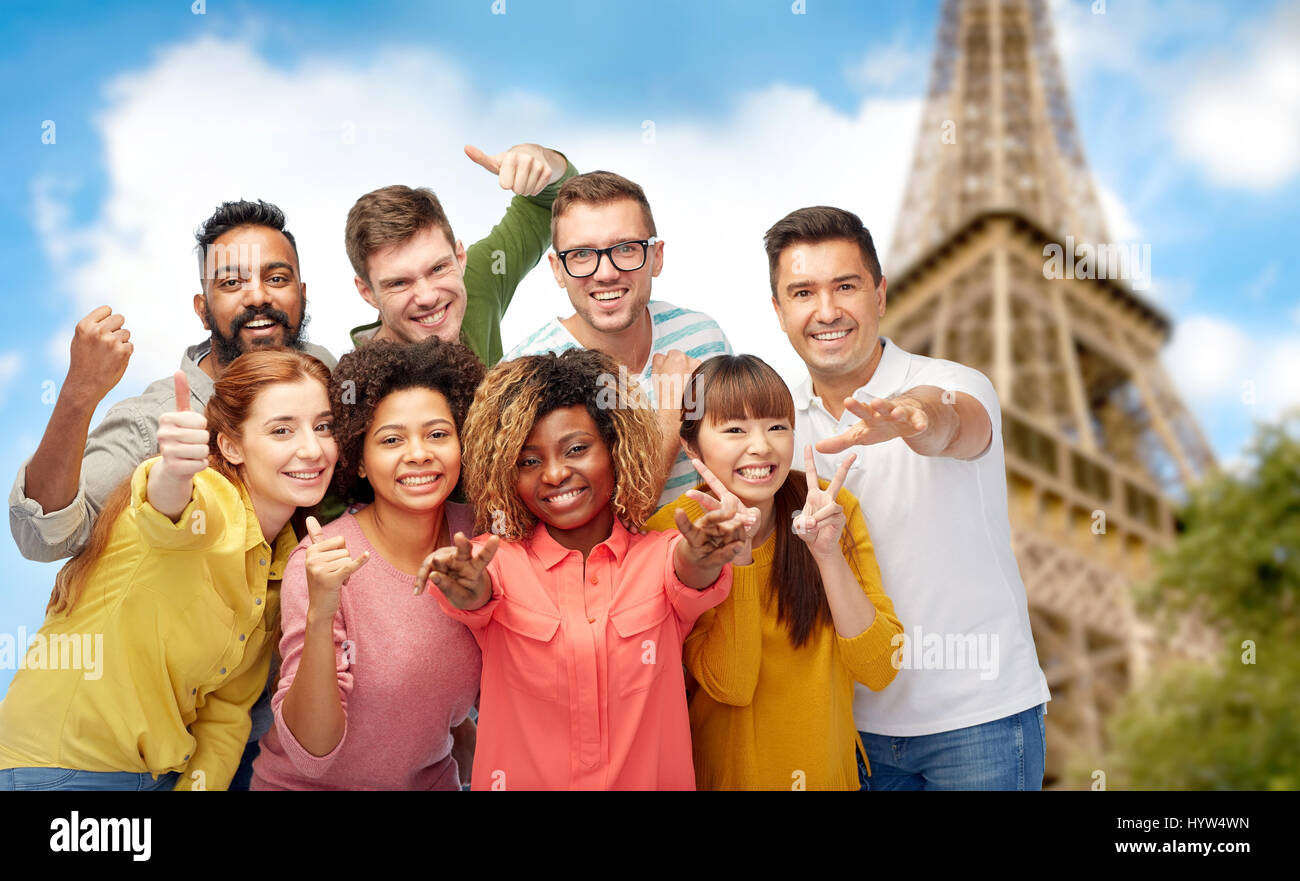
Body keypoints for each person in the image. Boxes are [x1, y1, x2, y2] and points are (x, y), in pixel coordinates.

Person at [8, 199, 337, 790]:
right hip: (77, 759)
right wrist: (83, 398)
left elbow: (228, 710)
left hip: (211, 755)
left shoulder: (322, 383)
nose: (258, 297)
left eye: (276, 277)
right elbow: (51, 533)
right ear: (202, 306)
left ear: (302, 293)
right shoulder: (158, 421)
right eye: (231, 282)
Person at [765, 205, 1050, 790]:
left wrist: (918, 419)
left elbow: (953, 421)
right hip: (850, 728)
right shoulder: (779, 426)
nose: (826, 311)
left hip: (979, 721)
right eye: (802, 292)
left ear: (880, 295)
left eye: (846, 286)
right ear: (779, 311)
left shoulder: (957, 383)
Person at [417, 349, 748, 790]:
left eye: (576, 449)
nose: (554, 474)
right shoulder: (491, 562)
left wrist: (705, 556)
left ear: (615, 448)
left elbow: (686, 571)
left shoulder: (663, 554)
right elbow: (478, 593)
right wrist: (466, 586)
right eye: (529, 461)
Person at [645, 355, 903, 790]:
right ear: (692, 448)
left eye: (776, 426)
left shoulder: (830, 509)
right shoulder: (674, 530)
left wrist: (827, 555)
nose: (761, 446)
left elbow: (880, 668)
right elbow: (732, 686)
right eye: (734, 430)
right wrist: (740, 558)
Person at [251, 337, 485, 790]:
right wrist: (320, 612)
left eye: (438, 434)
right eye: (392, 439)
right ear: (358, 459)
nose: (418, 453)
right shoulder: (321, 562)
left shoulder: (484, 539)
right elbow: (313, 752)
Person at [503, 171, 732, 507]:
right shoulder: (524, 376)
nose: (606, 273)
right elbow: (586, 528)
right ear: (556, 270)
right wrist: (671, 415)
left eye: (626, 248)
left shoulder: (703, 336)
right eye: (581, 254)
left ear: (657, 257)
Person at [345, 142, 578, 365]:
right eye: (398, 283)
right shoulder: (360, 390)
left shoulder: (477, 280)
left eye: (437, 269)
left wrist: (539, 159)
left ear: (460, 258)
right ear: (368, 292)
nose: (428, 298)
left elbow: (556, 202)